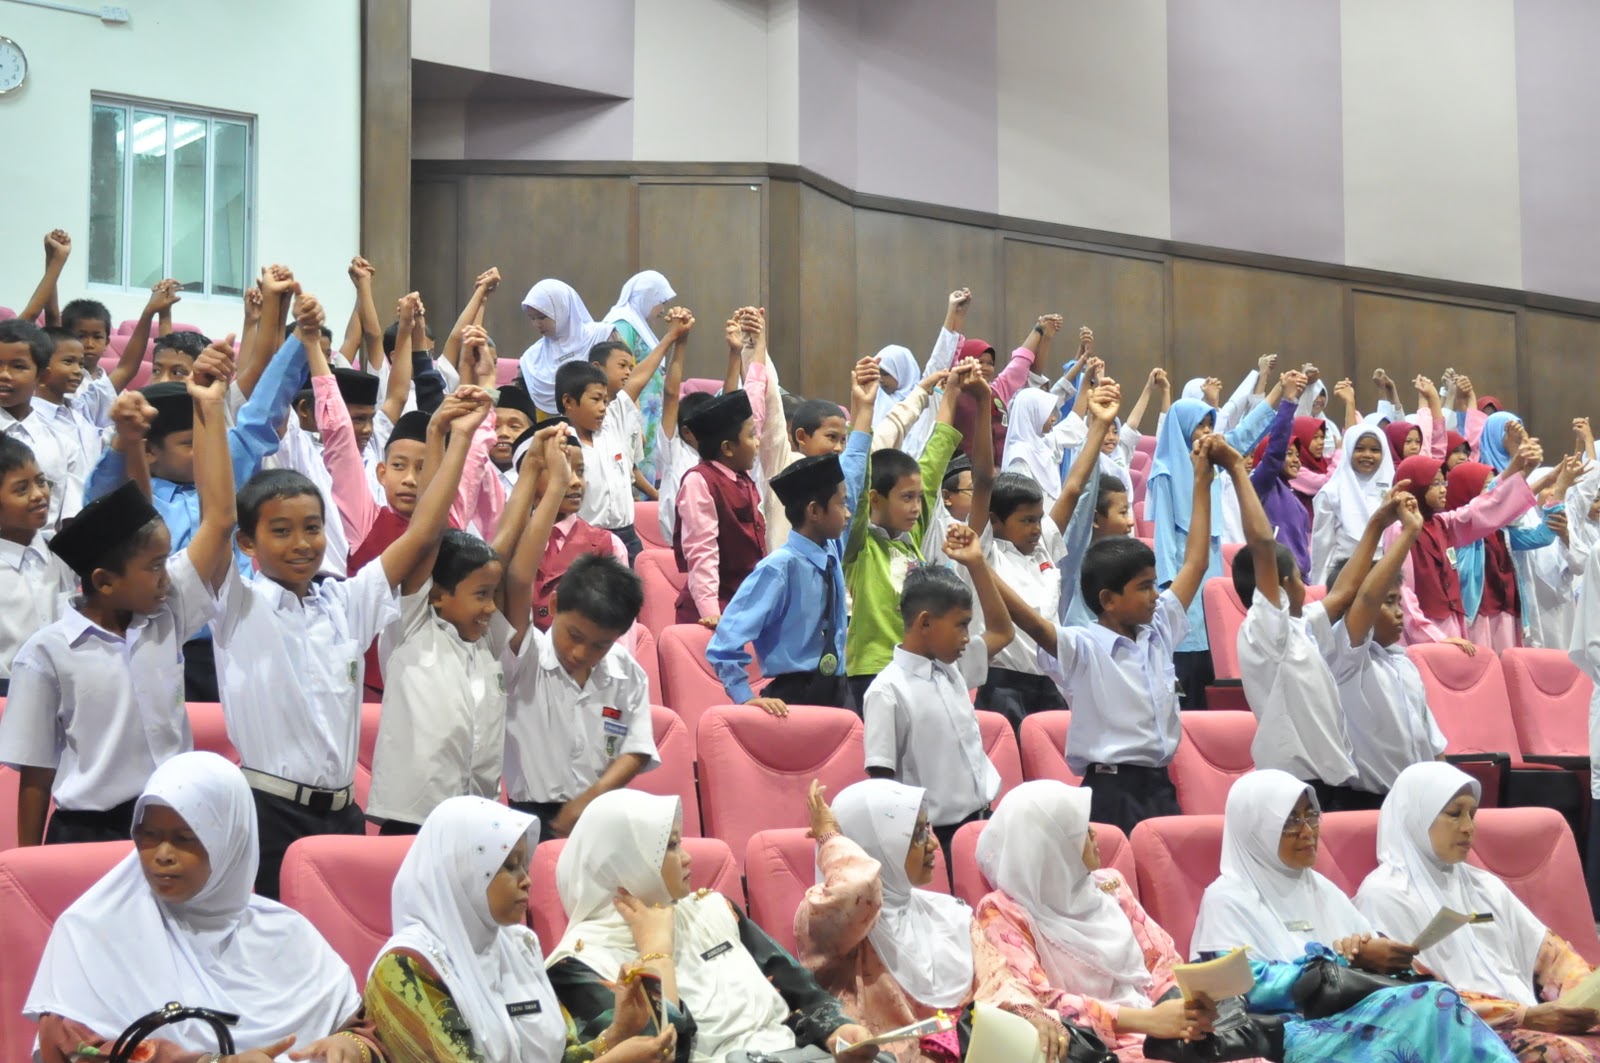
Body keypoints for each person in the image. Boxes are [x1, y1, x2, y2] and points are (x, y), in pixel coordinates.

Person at [211, 296, 485, 897]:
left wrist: (454, 438)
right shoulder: (237, 603)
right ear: (247, 543)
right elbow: (218, 507)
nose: (302, 544)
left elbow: (424, 535)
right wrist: (220, 400)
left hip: (342, 814)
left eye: (312, 528)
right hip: (267, 811)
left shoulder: (345, 603)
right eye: (281, 532)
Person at [971, 780, 1515, 1063]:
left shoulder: (1110, 887)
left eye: (1311, 817)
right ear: (1046, 849)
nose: (1095, 837)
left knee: (1426, 1003)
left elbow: (1165, 965)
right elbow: (1026, 1000)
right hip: (1116, 1044)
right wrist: (1144, 1021)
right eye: (1080, 832)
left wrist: (1185, 1008)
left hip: (1186, 1033)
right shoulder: (1004, 912)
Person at [0, 339, 238, 847]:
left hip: (171, 820)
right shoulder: (46, 654)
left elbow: (220, 521)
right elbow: (37, 772)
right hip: (87, 829)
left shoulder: (165, 613)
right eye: (154, 567)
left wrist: (211, 409)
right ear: (105, 582)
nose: (166, 575)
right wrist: (27, 865)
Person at [24, 752, 380, 1063]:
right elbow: (73, 1046)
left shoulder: (288, 935)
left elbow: (361, 1029)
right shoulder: (92, 930)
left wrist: (351, 1046)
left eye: (185, 839)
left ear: (230, 843)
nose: (163, 854)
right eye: (148, 835)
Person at [546, 789, 882, 1063]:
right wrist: (657, 954)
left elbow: (799, 988)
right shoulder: (576, 965)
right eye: (670, 846)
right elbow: (661, 1052)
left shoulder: (715, 909)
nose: (687, 857)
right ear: (624, 862)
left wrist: (837, 1029)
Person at [993, 434, 1221, 833]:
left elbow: (1196, 563)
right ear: (1108, 600)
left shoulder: (1159, 628)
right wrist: (978, 565)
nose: (1156, 596)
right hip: (1112, 792)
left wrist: (1202, 481)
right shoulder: (1084, 645)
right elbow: (1033, 625)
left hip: (1161, 787)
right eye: (1144, 587)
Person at [365, 795, 675, 1063]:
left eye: (525, 865)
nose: (527, 880)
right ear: (463, 872)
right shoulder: (406, 967)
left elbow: (560, 1055)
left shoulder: (519, 944)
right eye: (510, 866)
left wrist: (617, 1032)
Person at [368, 431, 556, 835]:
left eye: (491, 595)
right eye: (481, 596)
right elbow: (427, 530)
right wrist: (444, 435)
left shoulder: (486, 642)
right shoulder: (410, 628)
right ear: (436, 594)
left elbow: (507, 556)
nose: (490, 608)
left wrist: (535, 473)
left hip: (478, 821)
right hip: (413, 821)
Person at [1357, 763, 1600, 1061]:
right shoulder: (1385, 895)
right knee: (1562, 1054)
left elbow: (1552, 957)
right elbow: (1417, 996)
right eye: (1454, 814)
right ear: (1415, 817)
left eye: (1471, 815)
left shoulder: (1483, 885)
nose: (1468, 827)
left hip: (1532, 1020)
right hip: (1456, 1034)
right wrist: (1522, 1015)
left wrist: (1585, 998)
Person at [500, 454, 656, 840]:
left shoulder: (626, 671)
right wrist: (552, 484)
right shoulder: (525, 656)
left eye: (600, 645)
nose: (581, 653)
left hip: (598, 811)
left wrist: (592, 797)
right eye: (574, 636)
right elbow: (516, 581)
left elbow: (637, 747)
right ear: (553, 606)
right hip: (530, 815)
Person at [796, 780, 981, 1063]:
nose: (933, 844)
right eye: (916, 834)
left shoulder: (948, 911)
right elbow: (859, 888)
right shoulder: (830, 917)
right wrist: (830, 837)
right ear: (875, 844)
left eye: (927, 828)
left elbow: (998, 980)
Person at [864, 525, 1013, 856]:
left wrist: (977, 564)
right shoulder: (887, 691)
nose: (967, 636)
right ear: (925, 622)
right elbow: (882, 784)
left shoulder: (952, 666)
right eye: (961, 624)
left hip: (984, 823)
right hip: (935, 839)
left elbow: (1003, 632)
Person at [976, 382, 1121, 718]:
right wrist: (984, 403)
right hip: (1002, 684)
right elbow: (983, 480)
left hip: (1052, 684)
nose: (1036, 528)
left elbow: (1073, 489)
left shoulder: (1042, 547)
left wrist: (1099, 425)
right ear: (995, 521)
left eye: (1039, 519)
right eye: (1026, 520)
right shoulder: (984, 553)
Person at [844, 362, 977, 706]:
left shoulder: (912, 537)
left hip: (918, 668)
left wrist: (950, 393)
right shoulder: (859, 544)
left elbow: (934, 460)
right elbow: (856, 480)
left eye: (918, 498)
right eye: (906, 498)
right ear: (875, 499)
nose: (917, 507)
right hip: (871, 672)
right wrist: (864, 409)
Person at [1147, 381, 1278, 705]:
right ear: (1182, 428)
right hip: (1182, 579)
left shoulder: (1209, 464)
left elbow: (1243, 438)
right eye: (1200, 425)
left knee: (1212, 661)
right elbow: (1163, 537)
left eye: (1210, 424)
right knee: (1187, 664)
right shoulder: (1164, 471)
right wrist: (1170, 589)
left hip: (1211, 575)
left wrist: (1280, 393)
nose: (1207, 431)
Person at [707, 449, 868, 712]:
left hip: (839, 688)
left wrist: (863, 425)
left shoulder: (831, 550)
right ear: (814, 511)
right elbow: (725, 642)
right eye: (841, 504)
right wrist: (744, 696)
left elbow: (853, 475)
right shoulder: (778, 568)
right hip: (795, 694)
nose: (848, 513)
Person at [1320, 491, 1448, 799]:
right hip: (1365, 801)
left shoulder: (1404, 662)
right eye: (1388, 602)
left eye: (1399, 601)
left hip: (1418, 799)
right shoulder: (1342, 656)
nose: (1399, 612)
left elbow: (1432, 744)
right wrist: (1407, 533)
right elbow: (1366, 597)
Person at [1388, 443, 1541, 646]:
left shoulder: (1442, 524)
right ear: (1416, 485)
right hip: (1421, 633)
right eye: (1435, 484)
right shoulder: (1400, 528)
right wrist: (1434, 636)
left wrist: (1519, 470)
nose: (1443, 489)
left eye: (1444, 483)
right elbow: (1403, 591)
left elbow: (1481, 509)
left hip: (1451, 628)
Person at [584, 311, 690, 557]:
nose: (628, 373)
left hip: (625, 532)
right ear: (597, 368)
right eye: (622, 366)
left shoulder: (623, 413)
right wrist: (670, 337)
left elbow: (631, 469)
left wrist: (655, 495)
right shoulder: (572, 429)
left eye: (631, 367)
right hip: (591, 531)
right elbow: (640, 379)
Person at [672, 376, 767, 625]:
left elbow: (757, 406)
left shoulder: (742, 476)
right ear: (727, 448)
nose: (758, 442)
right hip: (714, 611)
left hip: (745, 604)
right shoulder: (700, 481)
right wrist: (710, 612)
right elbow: (702, 551)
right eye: (751, 436)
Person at [0, 438, 74, 692]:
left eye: (41, 481)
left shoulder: (62, 552)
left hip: (64, 689)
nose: (39, 494)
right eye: (21, 490)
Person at [604, 268, 678, 485]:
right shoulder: (622, 324)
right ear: (647, 297)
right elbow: (620, 375)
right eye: (660, 302)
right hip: (632, 410)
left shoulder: (637, 324)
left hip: (646, 412)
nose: (663, 310)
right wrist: (634, 416)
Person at [0, 318, 72, 532]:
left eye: (18, 366)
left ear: (42, 377)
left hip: (44, 548)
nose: (4, 374)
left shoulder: (63, 445)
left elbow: (70, 518)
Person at [1309, 424, 1395, 586]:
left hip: (1383, 578)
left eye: (1375, 450)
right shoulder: (1331, 493)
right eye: (1359, 449)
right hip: (1342, 578)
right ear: (1348, 450)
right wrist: (1320, 587)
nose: (1367, 455)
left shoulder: (1393, 491)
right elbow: (1322, 546)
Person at [520, 278, 619, 418]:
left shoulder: (602, 336)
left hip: (606, 422)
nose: (536, 324)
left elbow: (627, 379)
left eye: (541, 317)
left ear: (562, 309)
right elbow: (517, 397)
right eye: (532, 318)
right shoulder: (531, 358)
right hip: (553, 429)